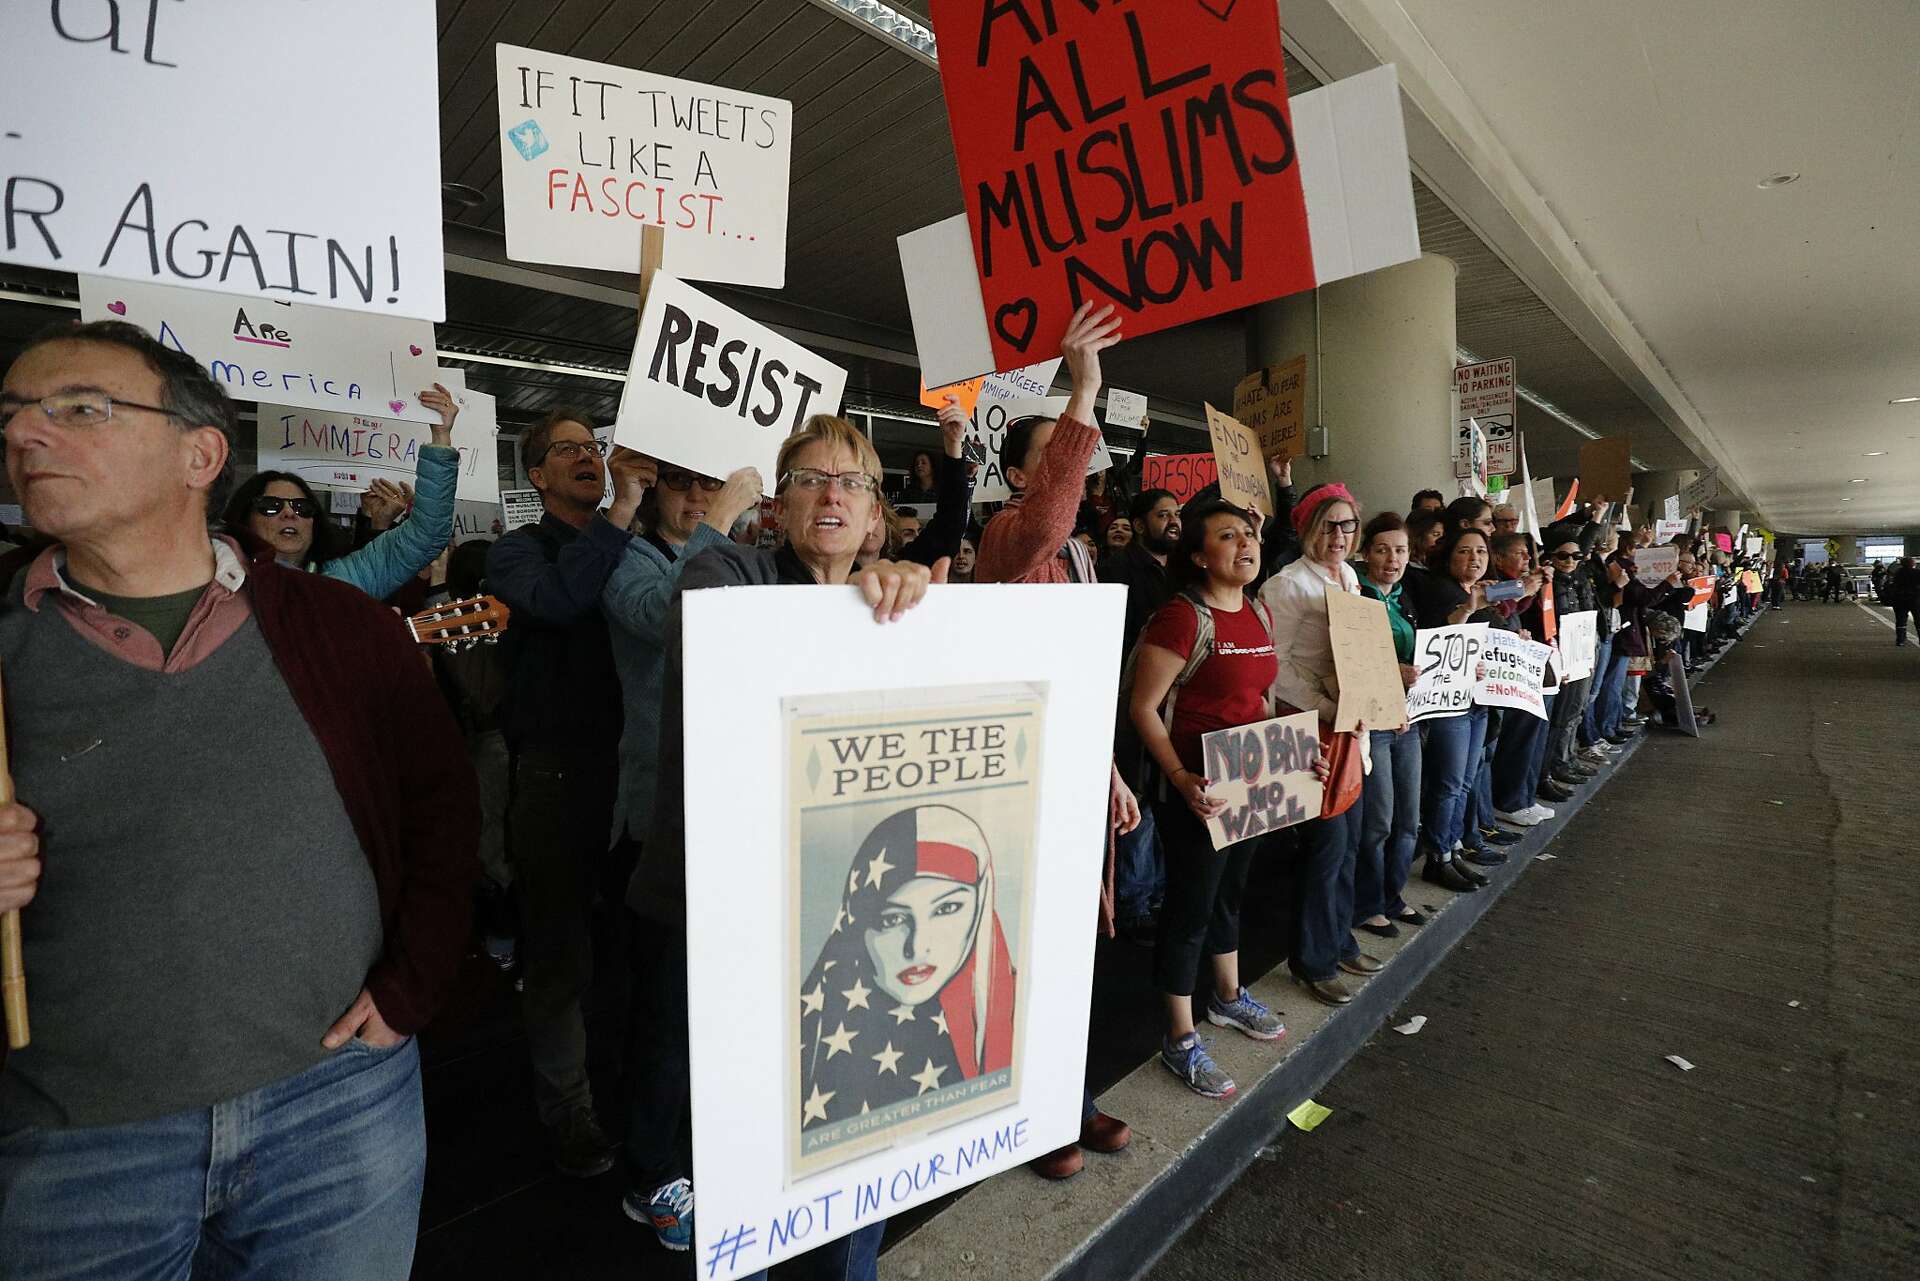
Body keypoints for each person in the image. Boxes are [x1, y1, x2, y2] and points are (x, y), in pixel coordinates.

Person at [0, 319, 478, 1279]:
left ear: (200, 452)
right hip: (76, 1143)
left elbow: (443, 814)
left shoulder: (341, 625)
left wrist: (410, 989)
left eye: (78, 409)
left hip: (339, 1107)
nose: (24, 435)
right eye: (11, 415)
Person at [624, 413, 938, 1272]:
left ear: (877, 516)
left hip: (846, 920)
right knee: (745, 1135)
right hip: (734, 910)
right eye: (808, 480)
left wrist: (910, 591)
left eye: (851, 482)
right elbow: (703, 621)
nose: (830, 493)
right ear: (780, 508)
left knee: (848, 1137)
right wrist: (722, 514)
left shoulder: (903, 604)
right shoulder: (734, 570)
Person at [971, 302, 1140, 1179]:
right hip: (1014, 787)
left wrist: (1106, 766)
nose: (1073, 483)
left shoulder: (1079, 559)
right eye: (1054, 465)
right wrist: (1085, 389)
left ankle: (1066, 1100)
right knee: (1022, 954)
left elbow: (1079, 682)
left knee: (1069, 954)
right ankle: (1030, 1118)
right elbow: (1046, 515)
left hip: (1072, 774)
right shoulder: (1010, 539)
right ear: (1015, 474)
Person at [485, 407, 651, 1178]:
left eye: (595, 445)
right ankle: (569, 1111)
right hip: (555, 780)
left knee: (626, 945)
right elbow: (558, 601)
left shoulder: (630, 548)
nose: (588, 456)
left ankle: (623, 1085)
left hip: (630, 776)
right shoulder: (514, 555)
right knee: (558, 959)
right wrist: (618, 516)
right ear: (537, 474)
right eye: (568, 450)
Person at [1131, 499, 1291, 1096]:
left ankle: (1226, 997)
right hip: (1198, 792)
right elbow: (1143, 708)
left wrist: (1293, 754)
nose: (1246, 544)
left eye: (1249, 534)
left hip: (1248, 786)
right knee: (1190, 911)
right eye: (1229, 536)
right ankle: (1178, 1037)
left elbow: (1260, 702)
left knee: (1230, 894)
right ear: (1199, 556)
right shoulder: (1182, 618)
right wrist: (1177, 776)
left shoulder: (1258, 614)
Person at [798, 805, 1014, 1122]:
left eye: (947, 908)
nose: (918, 947)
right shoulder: (815, 1028)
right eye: (892, 919)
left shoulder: (1010, 1002)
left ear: (980, 905)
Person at [1262, 483, 1379, 1007]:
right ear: (1307, 528)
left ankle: (1339, 939)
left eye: (1347, 525)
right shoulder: (1286, 585)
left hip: (1349, 728)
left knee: (1349, 842)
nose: (1339, 535)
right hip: (1311, 728)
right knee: (1324, 850)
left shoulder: (1349, 577)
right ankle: (1312, 958)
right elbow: (1276, 668)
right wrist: (1331, 709)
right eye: (1327, 525)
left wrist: (1378, 699)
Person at [220, 382, 459, 601]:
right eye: (271, 505)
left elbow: (427, 535)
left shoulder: (345, 578)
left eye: (302, 508)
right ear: (244, 517)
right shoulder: (215, 581)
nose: (289, 514)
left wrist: (441, 437)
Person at [1099, 487, 1182, 945]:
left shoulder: (1182, 569)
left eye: (1177, 514)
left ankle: (1154, 893)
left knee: (1159, 796)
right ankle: (1133, 903)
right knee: (1137, 801)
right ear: (1139, 521)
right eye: (1162, 514)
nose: (1172, 521)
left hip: (1170, 701)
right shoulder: (1119, 569)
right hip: (1130, 699)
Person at [1401, 525, 1497, 891]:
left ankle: (1452, 848)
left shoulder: (1477, 592)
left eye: (1481, 552)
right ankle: (1438, 856)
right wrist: (1468, 611)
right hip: (1448, 704)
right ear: (1448, 555)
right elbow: (1442, 638)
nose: (1474, 559)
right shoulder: (1441, 591)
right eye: (1465, 551)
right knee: (1449, 783)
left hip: (1476, 698)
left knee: (1464, 782)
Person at [1353, 514, 1426, 939]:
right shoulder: (1356, 599)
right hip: (1374, 724)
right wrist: (1390, 671)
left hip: (1407, 721)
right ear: (1366, 554)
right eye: (1382, 549)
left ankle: (1393, 895)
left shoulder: (1403, 599)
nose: (1392, 558)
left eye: (1400, 550)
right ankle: (1368, 904)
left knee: (1407, 819)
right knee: (1378, 822)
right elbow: (1350, 660)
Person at [1888, 556, 1920, 645]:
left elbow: (1893, 585)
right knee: (1918, 619)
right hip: (1915, 599)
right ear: (1912, 564)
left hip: (1900, 599)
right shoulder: (1917, 572)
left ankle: (1900, 640)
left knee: (1900, 620)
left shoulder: (1898, 573)